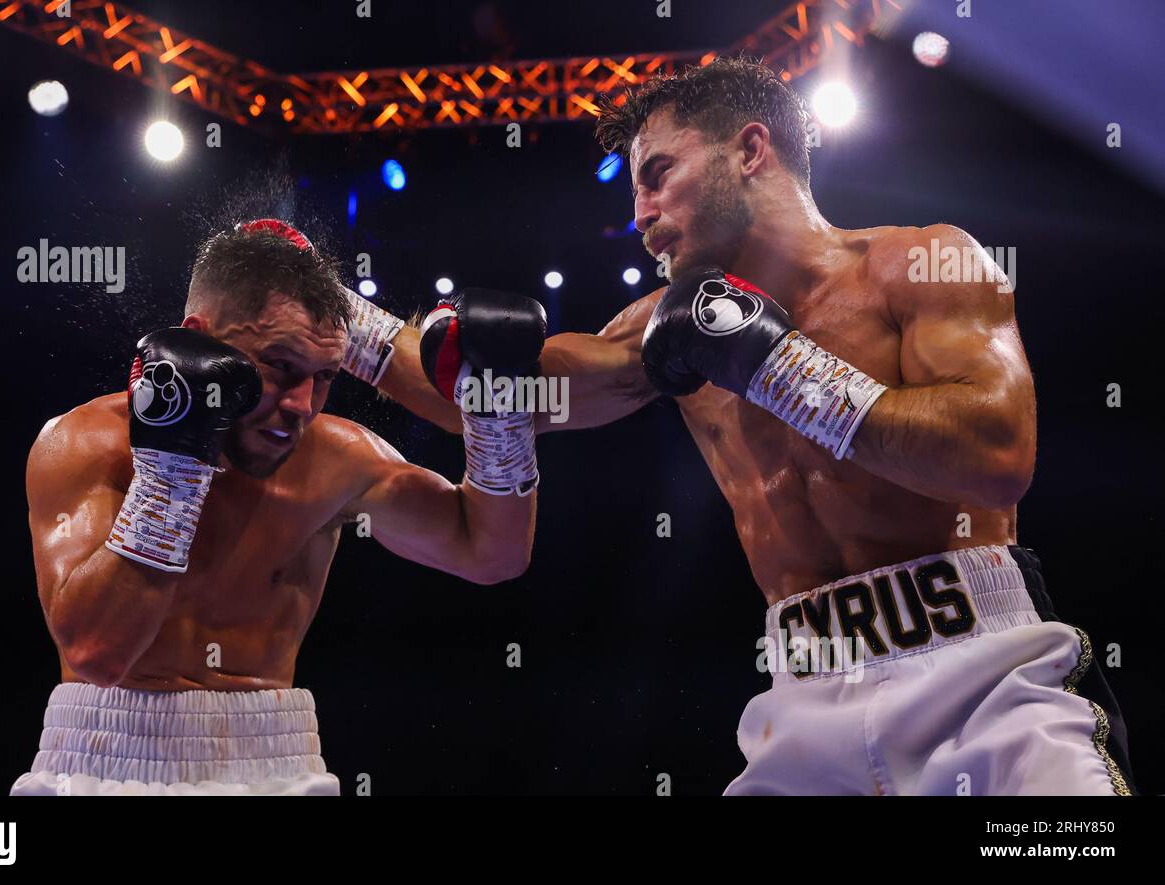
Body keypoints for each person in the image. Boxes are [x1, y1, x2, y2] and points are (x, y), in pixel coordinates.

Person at [358, 58, 1134, 795]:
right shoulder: (660, 332)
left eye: (658, 174)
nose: (640, 216)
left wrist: (777, 366)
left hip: (983, 676)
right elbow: (482, 396)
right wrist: (335, 320)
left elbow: (996, 455)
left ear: (750, 150)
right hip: (805, 712)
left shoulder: (919, 263)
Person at [11, 219, 546, 795]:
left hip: (276, 764)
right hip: (102, 760)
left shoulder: (337, 458)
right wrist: (173, 471)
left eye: (324, 377)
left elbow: (491, 555)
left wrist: (500, 421)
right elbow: (97, 654)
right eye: (280, 366)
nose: (301, 406)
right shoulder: (89, 444)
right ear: (198, 339)